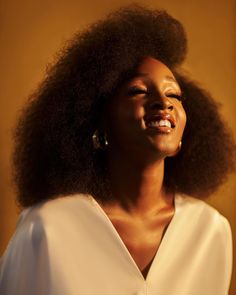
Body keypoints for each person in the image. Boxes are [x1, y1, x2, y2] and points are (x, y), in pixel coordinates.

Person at [0, 5, 235, 295]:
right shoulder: (46, 230)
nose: (164, 102)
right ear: (100, 120)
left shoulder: (211, 232)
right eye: (138, 91)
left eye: (174, 94)